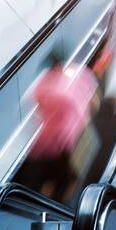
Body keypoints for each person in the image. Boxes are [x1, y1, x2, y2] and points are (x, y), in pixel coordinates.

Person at [26, 46, 99, 200]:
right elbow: (95, 103)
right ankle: (63, 203)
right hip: (74, 137)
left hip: (49, 143)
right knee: (72, 176)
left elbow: (40, 110)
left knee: (50, 178)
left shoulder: (41, 87)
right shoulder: (80, 74)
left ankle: (44, 205)